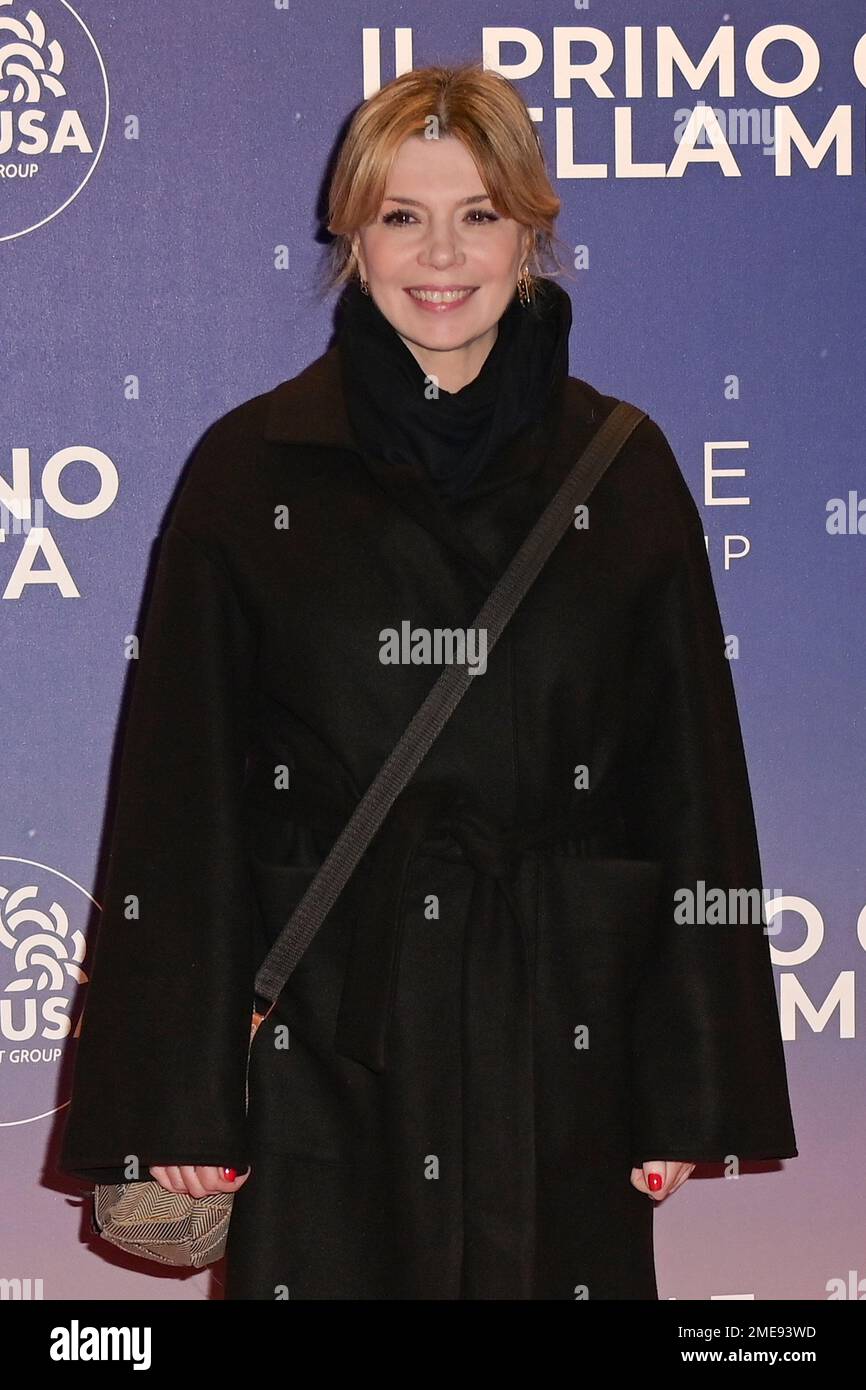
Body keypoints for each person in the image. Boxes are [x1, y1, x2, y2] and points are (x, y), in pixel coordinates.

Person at [58, 62, 797, 1300]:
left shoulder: (624, 470)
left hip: (558, 1033)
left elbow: (690, 788)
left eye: (478, 214)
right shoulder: (250, 472)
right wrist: (178, 1097)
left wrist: (684, 1083)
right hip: (328, 1045)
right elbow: (180, 804)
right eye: (402, 215)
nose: (439, 255)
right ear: (352, 238)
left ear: (530, 233)